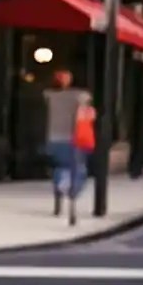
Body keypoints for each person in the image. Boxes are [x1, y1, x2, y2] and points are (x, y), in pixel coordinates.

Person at [42, 70, 93, 226]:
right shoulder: (79, 95)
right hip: (73, 138)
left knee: (59, 166)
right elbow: (87, 101)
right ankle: (70, 193)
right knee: (78, 169)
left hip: (53, 138)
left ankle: (60, 189)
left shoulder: (49, 95)